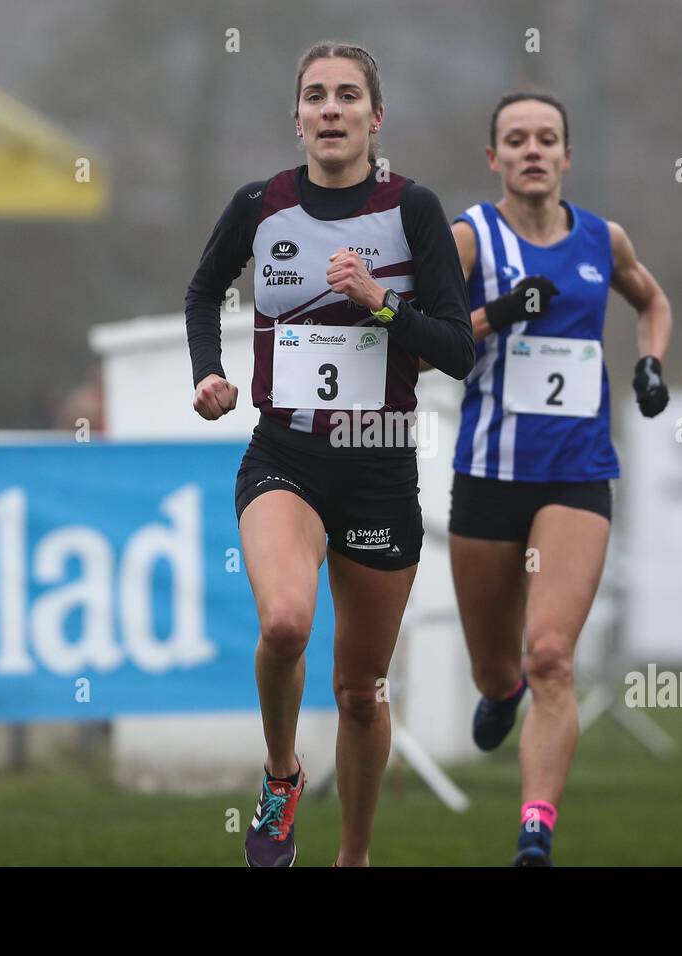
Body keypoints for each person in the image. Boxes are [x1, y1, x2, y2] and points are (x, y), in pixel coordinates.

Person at [184, 41, 473, 867]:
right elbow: (205, 289)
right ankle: (281, 778)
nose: (332, 109)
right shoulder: (260, 204)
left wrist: (381, 305)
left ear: (376, 118)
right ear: (299, 116)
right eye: (316, 96)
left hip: (380, 461)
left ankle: (354, 855)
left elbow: (458, 349)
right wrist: (210, 372)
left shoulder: (413, 210)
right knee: (282, 624)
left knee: (359, 691)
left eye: (349, 96)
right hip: (287, 454)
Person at [445, 92, 672, 866]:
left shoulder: (603, 240)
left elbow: (653, 300)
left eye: (547, 139)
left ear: (567, 156)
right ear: (494, 158)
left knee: (551, 656)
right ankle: (498, 692)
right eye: (517, 139)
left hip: (576, 476)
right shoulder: (471, 239)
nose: (533, 150)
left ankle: (535, 827)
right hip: (487, 475)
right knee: (498, 663)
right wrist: (496, 314)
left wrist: (649, 362)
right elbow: (418, 339)